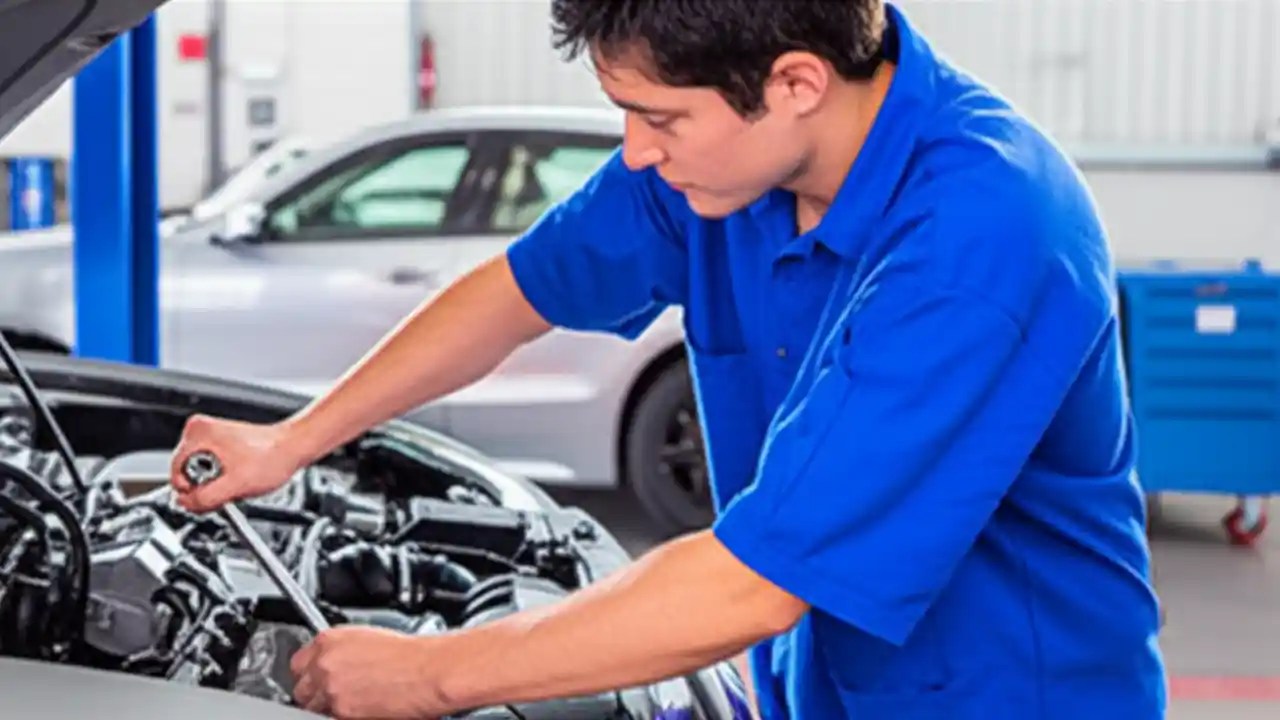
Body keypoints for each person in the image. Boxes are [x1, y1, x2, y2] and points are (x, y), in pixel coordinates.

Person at [168, 2, 1168, 718]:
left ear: (793, 82)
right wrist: (290, 442)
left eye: (659, 117)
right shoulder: (718, 174)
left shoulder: (981, 235)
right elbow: (514, 296)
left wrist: (431, 674)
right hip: (815, 683)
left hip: (1008, 697)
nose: (635, 152)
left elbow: (754, 582)